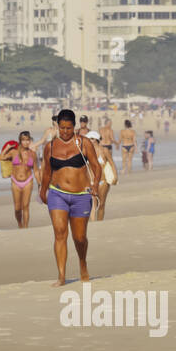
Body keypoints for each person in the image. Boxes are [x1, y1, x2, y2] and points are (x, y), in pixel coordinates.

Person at [39, 109, 102, 286]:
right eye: (62, 128)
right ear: (57, 127)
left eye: (68, 128)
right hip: (57, 194)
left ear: (73, 126)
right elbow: (47, 172)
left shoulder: (84, 143)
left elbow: (97, 167)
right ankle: (61, 276)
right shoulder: (50, 147)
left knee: (79, 238)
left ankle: (83, 263)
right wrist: (43, 191)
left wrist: (96, 185)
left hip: (81, 195)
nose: (65, 132)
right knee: (60, 233)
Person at [8, 131, 37, 229]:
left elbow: (36, 170)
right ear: (20, 141)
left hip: (28, 181)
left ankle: (25, 228)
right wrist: (6, 149)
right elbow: (1, 157)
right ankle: (20, 224)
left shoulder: (32, 154)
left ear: (30, 141)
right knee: (17, 208)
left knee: (25, 206)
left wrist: (41, 184)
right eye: (23, 140)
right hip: (15, 182)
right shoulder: (14, 152)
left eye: (27, 140)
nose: (26, 142)